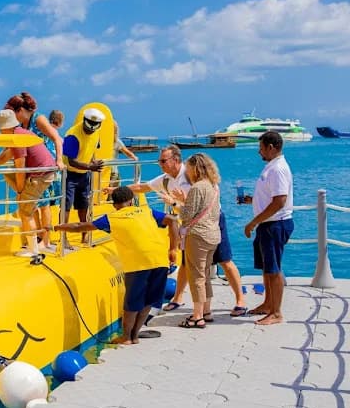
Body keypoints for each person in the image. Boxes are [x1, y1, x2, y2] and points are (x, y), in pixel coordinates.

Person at [120, 145, 247, 316]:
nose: (160, 163)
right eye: (160, 160)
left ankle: (239, 301)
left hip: (210, 220)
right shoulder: (165, 179)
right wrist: (117, 190)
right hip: (189, 224)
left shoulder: (192, 176)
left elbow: (199, 201)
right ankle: (179, 299)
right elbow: (143, 187)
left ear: (176, 160)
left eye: (163, 160)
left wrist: (175, 201)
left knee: (225, 260)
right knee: (187, 263)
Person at [54, 186, 178, 344]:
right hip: (160, 260)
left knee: (132, 302)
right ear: (132, 200)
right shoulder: (147, 211)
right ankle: (135, 335)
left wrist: (55, 227)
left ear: (114, 205)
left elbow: (79, 227)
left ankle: (126, 337)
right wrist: (173, 248)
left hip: (138, 264)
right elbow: (172, 220)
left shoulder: (112, 218)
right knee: (148, 300)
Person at [240, 131, 294, 326]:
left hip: (275, 224)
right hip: (268, 224)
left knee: (273, 269)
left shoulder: (278, 169)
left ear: (271, 147)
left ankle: (276, 313)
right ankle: (268, 304)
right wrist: (252, 201)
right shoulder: (272, 167)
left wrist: (253, 221)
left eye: (261, 147)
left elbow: (280, 201)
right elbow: (270, 198)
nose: (259, 152)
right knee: (266, 267)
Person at [4, 93, 65, 249]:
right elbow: (11, 149)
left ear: (22, 110)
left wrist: (59, 160)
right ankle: (37, 237)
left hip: (45, 166)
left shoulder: (38, 119)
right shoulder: (21, 125)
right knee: (34, 204)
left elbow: (57, 138)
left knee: (44, 204)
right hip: (34, 168)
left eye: (14, 113)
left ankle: (46, 239)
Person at [0, 109, 56, 257]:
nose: (0, 131)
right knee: (9, 175)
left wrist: (21, 192)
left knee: (24, 212)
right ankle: (33, 243)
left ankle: (33, 250)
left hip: (39, 176)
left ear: (5, 127)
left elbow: (20, 169)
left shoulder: (18, 139)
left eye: (1, 128)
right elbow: (8, 154)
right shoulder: (21, 132)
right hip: (44, 173)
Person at [178, 153, 221, 328]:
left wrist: (178, 203)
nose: (187, 173)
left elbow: (187, 215)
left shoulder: (197, 188)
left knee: (196, 275)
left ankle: (197, 316)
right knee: (206, 275)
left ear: (195, 168)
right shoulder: (214, 186)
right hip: (213, 234)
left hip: (198, 235)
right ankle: (206, 311)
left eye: (188, 169)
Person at [61, 107, 105, 233]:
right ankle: (63, 236)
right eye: (89, 126)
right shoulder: (73, 135)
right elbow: (71, 161)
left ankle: (84, 234)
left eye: (94, 127)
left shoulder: (96, 133)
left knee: (84, 205)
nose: (90, 130)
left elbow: (90, 150)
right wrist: (91, 167)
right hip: (69, 175)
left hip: (84, 175)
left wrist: (93, 161)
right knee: (66, 206)